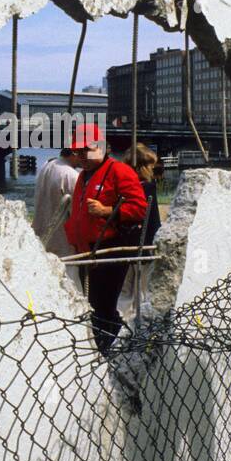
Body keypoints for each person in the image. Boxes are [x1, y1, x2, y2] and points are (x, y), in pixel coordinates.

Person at [63, 124, 148, 354]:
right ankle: (113, 344)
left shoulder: (119, 171)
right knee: (95, 305)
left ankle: (112, 347)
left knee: (102, 306)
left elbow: (139, 207)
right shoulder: (83, 175)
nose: (81, 156)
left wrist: (107, 211)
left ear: (101, 148)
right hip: (88, 250)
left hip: (111, 248)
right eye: (78, 152)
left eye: (85, 151)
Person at [117, 143, 163, 315]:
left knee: (125, 291)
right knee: (142, 290)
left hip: (125, 243)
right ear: (144, 167)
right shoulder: (148, 188)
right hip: (144, 245)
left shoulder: (124, 187)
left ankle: (122, 320)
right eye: (151, 166)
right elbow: (153, 220)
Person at [32, 148, 80, 257]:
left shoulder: (47, 165)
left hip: (42, 237)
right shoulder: (72, 175)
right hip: (63, 243)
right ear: (74, 153)